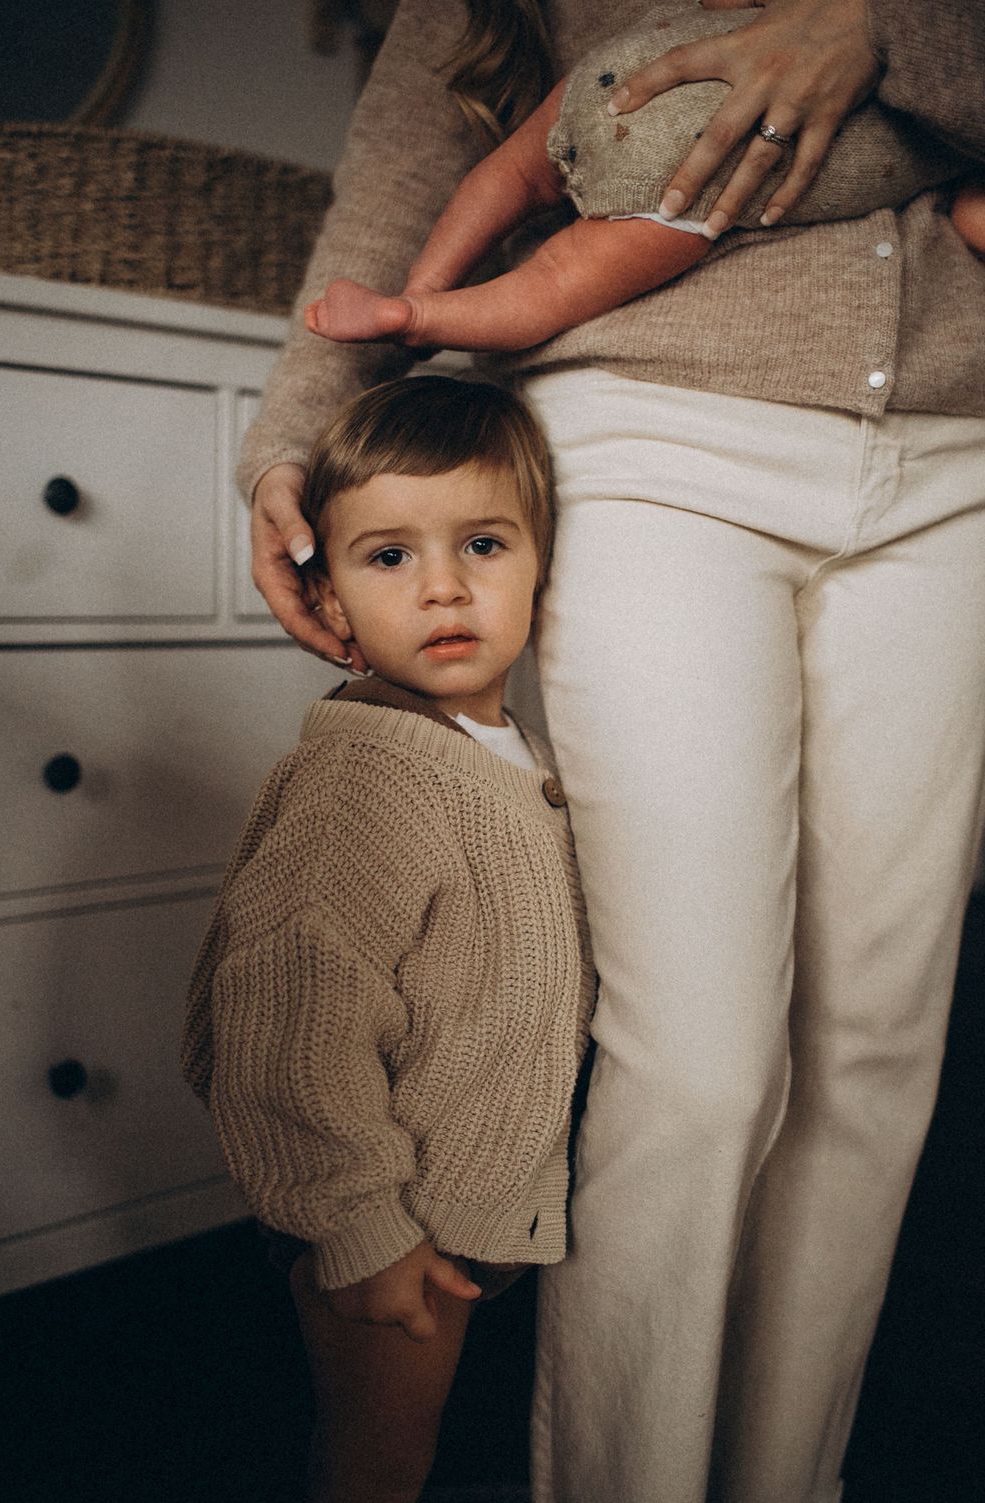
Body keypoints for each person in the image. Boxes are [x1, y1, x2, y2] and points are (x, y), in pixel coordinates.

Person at [238, 1, 985, 1499]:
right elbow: (407, 165)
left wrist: (873, 33)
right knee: (698, 1060)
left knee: (873, 1057)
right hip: (652, 440)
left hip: (958, 463)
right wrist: (293, 440)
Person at [182, 374, 595, 1503]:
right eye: (389, 556)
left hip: (464, 1201)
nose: (444, 587)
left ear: (543, 560)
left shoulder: (509, 752)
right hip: (386, 1211)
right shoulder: (365, 779)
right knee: (378, 1464)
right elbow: (281, 1024)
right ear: (327, 595)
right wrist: (361, 1225)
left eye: (483, 544)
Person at [304, 5, 983, 353]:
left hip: (636, 66)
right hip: (693, 170)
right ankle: (416, 316)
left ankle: (424, 284)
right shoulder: (944, 92)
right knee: (555, 281)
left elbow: (411, 157)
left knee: (511, 173)